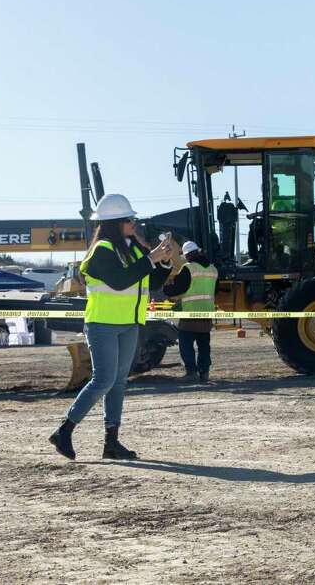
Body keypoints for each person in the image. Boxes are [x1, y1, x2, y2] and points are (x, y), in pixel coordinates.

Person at [48, 194, 174, 461]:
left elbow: (150, 283)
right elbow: (119, 281)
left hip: (129, 323)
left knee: (117, 383)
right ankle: (64, 430)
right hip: (103, 323)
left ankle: (111, 443)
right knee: (103, 380)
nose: (134, 224)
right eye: (129, 219)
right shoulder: (101, 250)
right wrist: (150, 258)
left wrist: (163, 261)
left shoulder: (134, 249)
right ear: (115, 222)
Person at [164, 241, 219, 381]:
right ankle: (204, 372)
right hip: (207, 313)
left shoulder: (189, 268)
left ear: (188, 255)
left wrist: (166, 289)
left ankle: (191, 372)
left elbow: (179, 288)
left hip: (191, 313)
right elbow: (215, 290)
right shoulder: (213, 269)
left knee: (185, 343)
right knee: (204, 344)